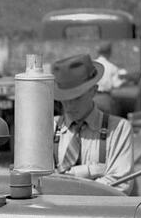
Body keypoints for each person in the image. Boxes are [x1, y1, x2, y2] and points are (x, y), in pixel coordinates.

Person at [51, 52, 134, 189]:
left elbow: (120, 184)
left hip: (101, 209)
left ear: (93, 91)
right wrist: (91, 170)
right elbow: (40, 181)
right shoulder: (49, 128)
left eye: (77, 98)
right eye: (65, 99)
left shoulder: (119, 128)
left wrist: (63, 179)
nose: (70, 106)